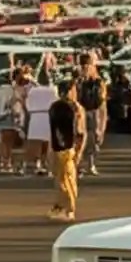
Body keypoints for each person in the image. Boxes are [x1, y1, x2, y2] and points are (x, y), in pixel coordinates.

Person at [48, 80, 86, 222]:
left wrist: (79, 150)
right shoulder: (70, 108)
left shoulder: (66, 108)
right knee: (61, 179)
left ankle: (69, 208)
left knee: (66, 180)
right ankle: (60, 206)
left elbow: (80, 131)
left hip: (66, 147)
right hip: (63, 146)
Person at [76, 54, 108, 177]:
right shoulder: (78, 81)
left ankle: (91, 164)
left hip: (94, 110)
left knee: (94, 138)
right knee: (80, 138)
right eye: (83, 66)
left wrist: (102, 122)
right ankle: (79, 165)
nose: (85, 68)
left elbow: (102, 101)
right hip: (81, 111)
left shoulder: (99, 82)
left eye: (87, 65)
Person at [0, 68, 29, 174]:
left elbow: (25, 104)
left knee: (17, 141)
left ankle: (11, 163)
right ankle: (6, 162)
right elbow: (3, 103)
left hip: (19, 118)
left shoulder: (24, 89)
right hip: (8, 116)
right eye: (21, 76)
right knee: (6, 141)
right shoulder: (6, 88)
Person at [24, 70, 57, 176]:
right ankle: (47, 165)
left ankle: (36, 164)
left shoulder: (32, 91)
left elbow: (27, 103)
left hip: (36, 116)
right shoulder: (53, 90)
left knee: (35, 143)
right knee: (47, 144)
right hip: (47, 116)